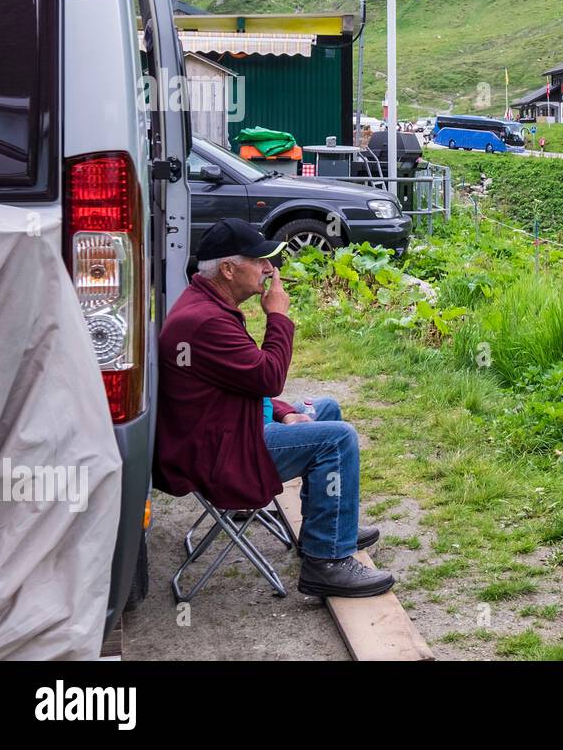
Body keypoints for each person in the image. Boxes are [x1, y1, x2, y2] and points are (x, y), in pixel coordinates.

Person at [154, 219, 393, 598]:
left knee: (325, 408)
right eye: (260, 261)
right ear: (228, 269)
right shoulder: (206, 322)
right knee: (337, 439)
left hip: (224, 429)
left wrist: (282, 412)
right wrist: (278, 317)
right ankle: (326, 562)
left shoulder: (207, 304)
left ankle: (327, 529)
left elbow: (242, 381)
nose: (270, 269)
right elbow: (267, 377)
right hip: (216, 454)